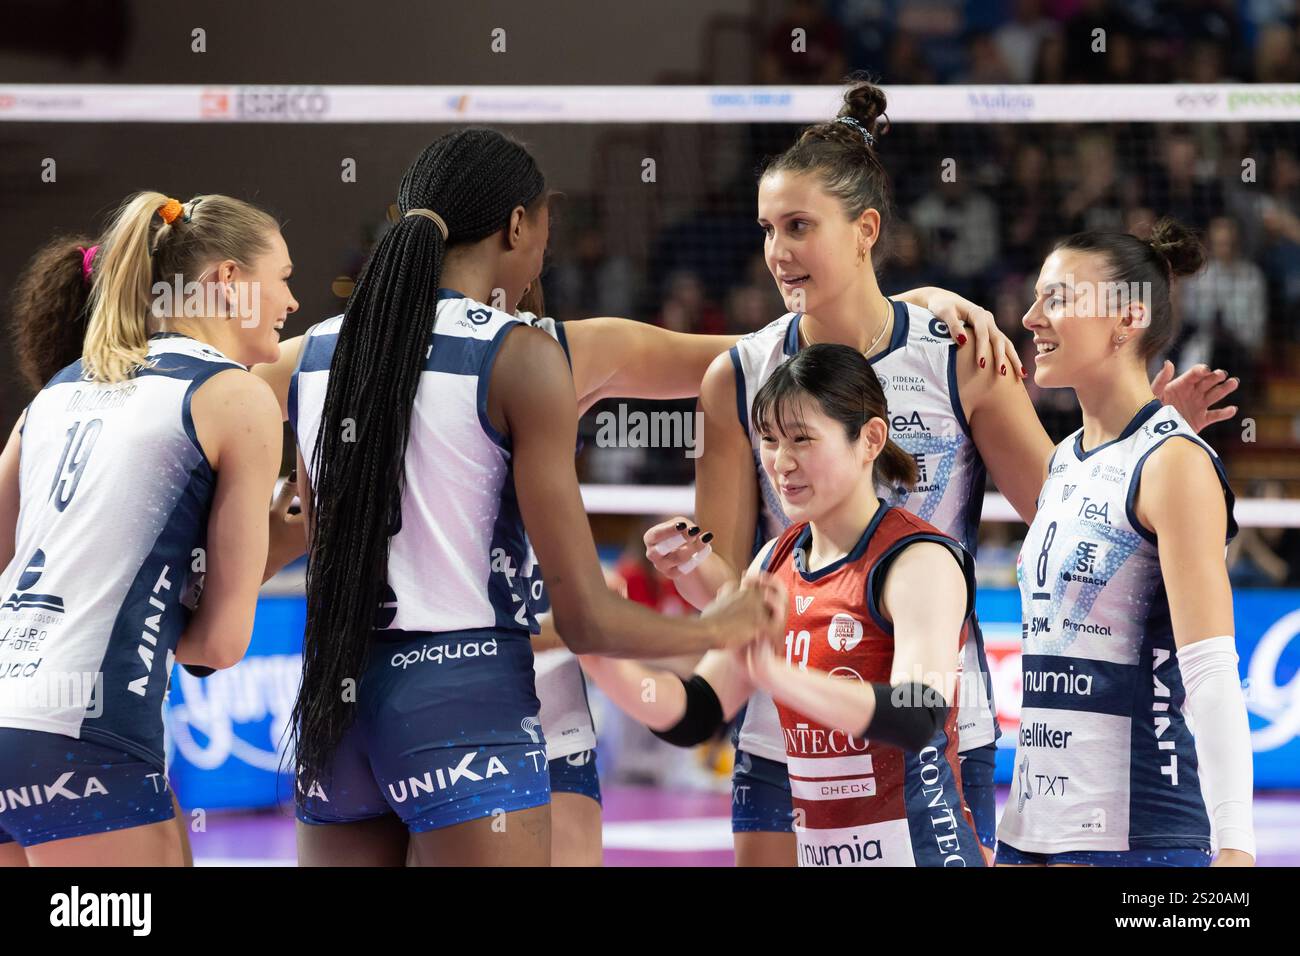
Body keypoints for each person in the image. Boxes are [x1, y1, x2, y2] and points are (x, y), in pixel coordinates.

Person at [640, 80, 1239, 866]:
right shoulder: (742, 374)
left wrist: (1151, 445)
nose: (778, 251)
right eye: (767, 229)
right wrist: (682, 581)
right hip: (788, 719)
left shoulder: (959, 354)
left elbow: (1064, 504)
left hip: (936, 714)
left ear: (865, 232)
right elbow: (734, 592)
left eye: (799, 226)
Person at [287, 128, 784, 867]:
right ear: (517, 225)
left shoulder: (314, 351)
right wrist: (719, 627)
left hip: (335, 705)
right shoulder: (522, 353)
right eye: (546, 232)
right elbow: (584, 615)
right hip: (465, 698)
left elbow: (304, 526)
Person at [584, 343, 986, 866]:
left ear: (870, 440)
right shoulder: (774, 561)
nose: (781, 462)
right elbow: (695, 713)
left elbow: (919, 714)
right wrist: (599, 654)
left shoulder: (919, 559)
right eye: (769, 441)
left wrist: (776, 676)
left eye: (802, 439)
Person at [0, 192, 288, 864]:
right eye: (283, 278)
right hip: (82, 731)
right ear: (228, 282)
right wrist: (292, 539)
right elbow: (216, 646)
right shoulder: (235, 394)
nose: (291, 300)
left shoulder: (55, 391)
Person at [997, 219, 1255, 867]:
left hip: (1136, 838)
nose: (1031, 317)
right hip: (1030, 830)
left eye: (1057, 297)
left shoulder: (1173, 463)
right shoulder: (1064, 461)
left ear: (1127, 318)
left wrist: (1237, 852)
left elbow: (1213, 675)